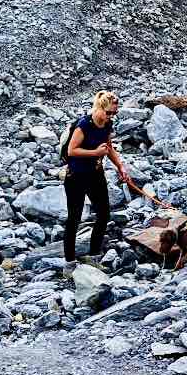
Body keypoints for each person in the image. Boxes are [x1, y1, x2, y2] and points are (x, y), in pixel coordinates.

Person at [60, 90, 145, 264]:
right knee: (74, 218)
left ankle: (93, 255)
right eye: (108, 113)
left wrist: (120, 166)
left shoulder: (106, 125)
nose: (111, 116)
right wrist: (95, 153)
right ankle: (69, 262)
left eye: (114, 113)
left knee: (104, 214)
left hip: (95, 173)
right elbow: (72, 150)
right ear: (99, 108)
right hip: (76, 176)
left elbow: (109, 147)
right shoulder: (84, 125)